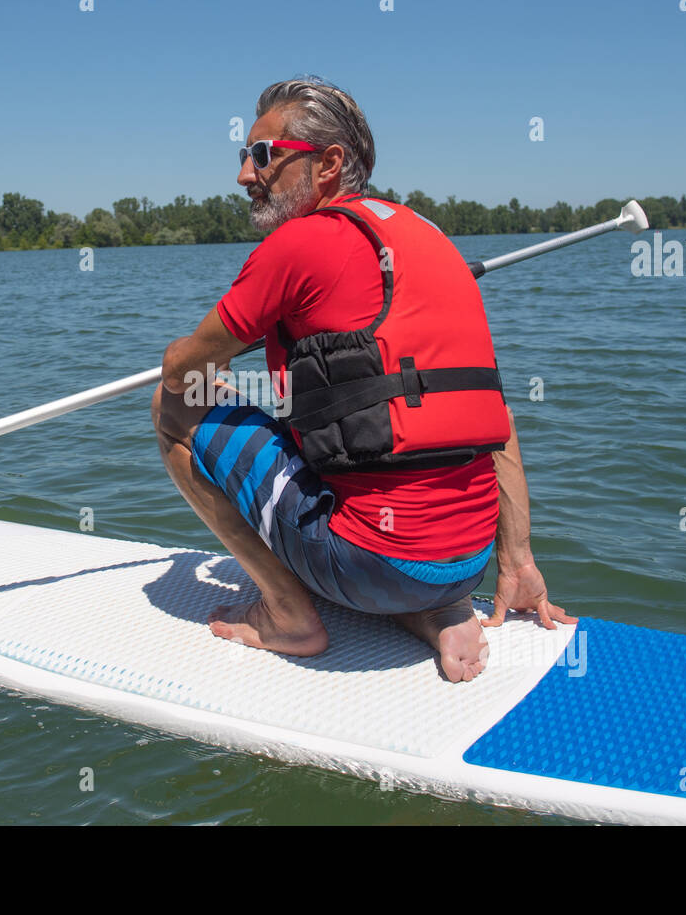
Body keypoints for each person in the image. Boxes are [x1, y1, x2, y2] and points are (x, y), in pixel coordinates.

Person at [151, 77, 573, 682]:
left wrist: (184, 358)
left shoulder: (295, 244)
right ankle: (436, 609)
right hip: (472, 560)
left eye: (262, 155)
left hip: (370, 563)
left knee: (176, 407)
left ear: (327, 164)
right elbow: (493, 417)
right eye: (243, 157)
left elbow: (181, 369)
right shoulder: (431, 239)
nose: (245, 174)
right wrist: (518, 560)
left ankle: (290, 616)